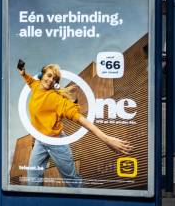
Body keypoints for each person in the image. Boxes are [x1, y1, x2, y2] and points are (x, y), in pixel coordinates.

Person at [17, 59, 131, 187]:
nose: (50, 80)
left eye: (54, 79)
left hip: (56, 141)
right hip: (40, 141)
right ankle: (35, 204)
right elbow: (30, 81)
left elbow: (81, 119)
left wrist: (106, 139)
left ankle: (83, 203)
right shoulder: (36, 86)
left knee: (72, 181)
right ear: (41, 75)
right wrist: (23, 73)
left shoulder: (57, 100)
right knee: (33, 180)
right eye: (49, 75)